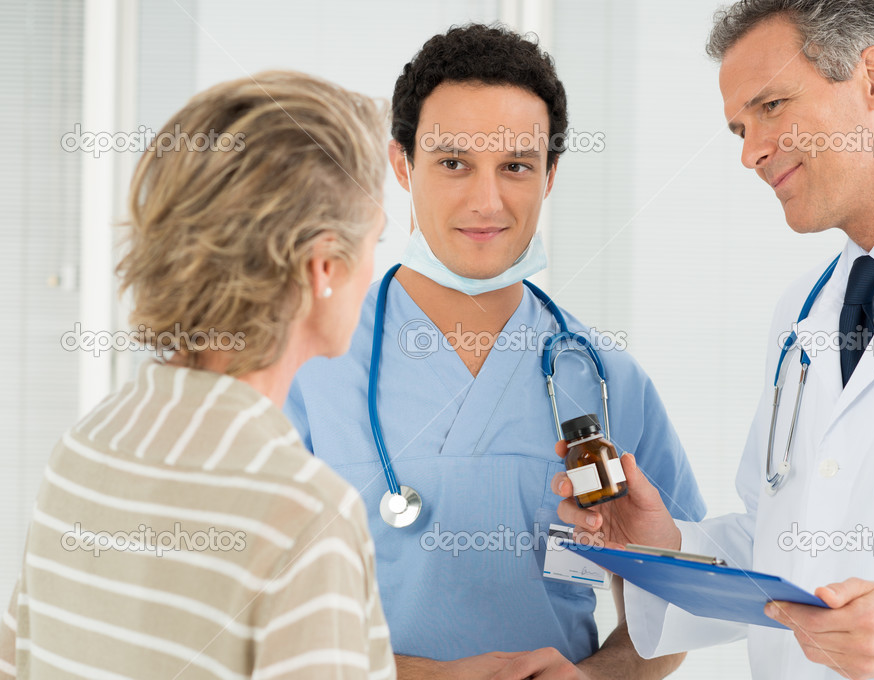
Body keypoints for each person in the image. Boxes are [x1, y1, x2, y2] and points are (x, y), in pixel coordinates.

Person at [550, 2, 874, 679]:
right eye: (741, 129)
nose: (750, 153)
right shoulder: (802, 314)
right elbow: (780, 543)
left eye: (771, 107)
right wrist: (664, 545)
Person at [285, 23, 705, 680]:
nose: (487, 201)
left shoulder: (605, 379)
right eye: (453, 163)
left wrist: (593, 677)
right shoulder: (305, 366)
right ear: (402, 164)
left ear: (550, 175)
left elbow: (675, 613)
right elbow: (246, 612)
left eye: (516, 166)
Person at [0, 71, 396, 679]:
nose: (374, 271)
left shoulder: (79, 452)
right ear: (322, 266)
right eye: (375, 241)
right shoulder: (305, 517)